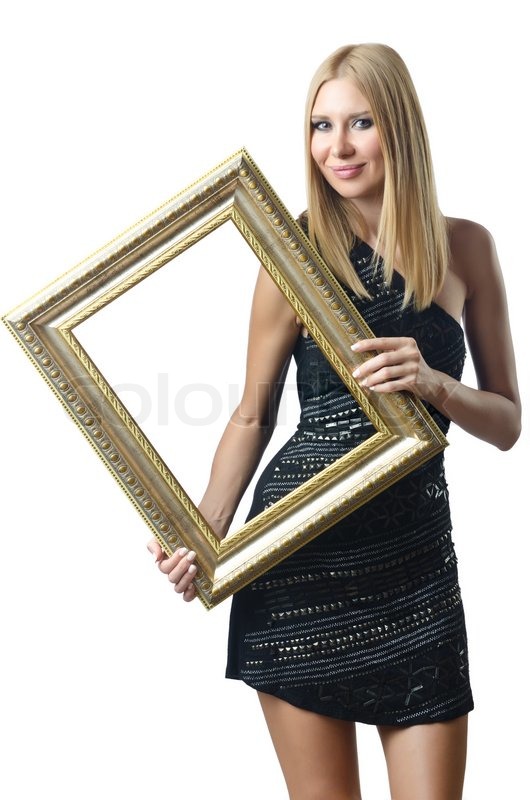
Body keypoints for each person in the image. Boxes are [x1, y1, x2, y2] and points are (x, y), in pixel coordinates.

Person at [147, 43, 521, 800]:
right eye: (321, 125)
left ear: (401, 131)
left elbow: (508, 422)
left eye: (359, 123)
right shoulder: (292, 251)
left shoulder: (467, 247)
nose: (337, 147)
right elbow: (252, 415)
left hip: (417, 568)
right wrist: (203, 534)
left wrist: (437, 385)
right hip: (299, 563)